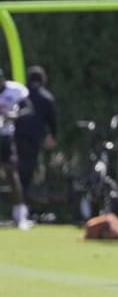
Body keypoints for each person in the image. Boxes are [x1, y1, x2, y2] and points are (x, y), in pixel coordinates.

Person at [13, 65, 58, 216]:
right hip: (33, 140)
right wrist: (52, 135)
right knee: (27, 173)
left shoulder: (21, 95)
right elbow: (52, 121)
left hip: (16, 138)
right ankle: (22, 207)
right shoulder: (46, 98)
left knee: (16, 172)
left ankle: (19, 205)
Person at [0, 68, 34, 230]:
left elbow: (28, 108)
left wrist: (15, 115)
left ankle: (20, 213)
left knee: (12, 174)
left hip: (6, 137)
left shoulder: (14, 90)